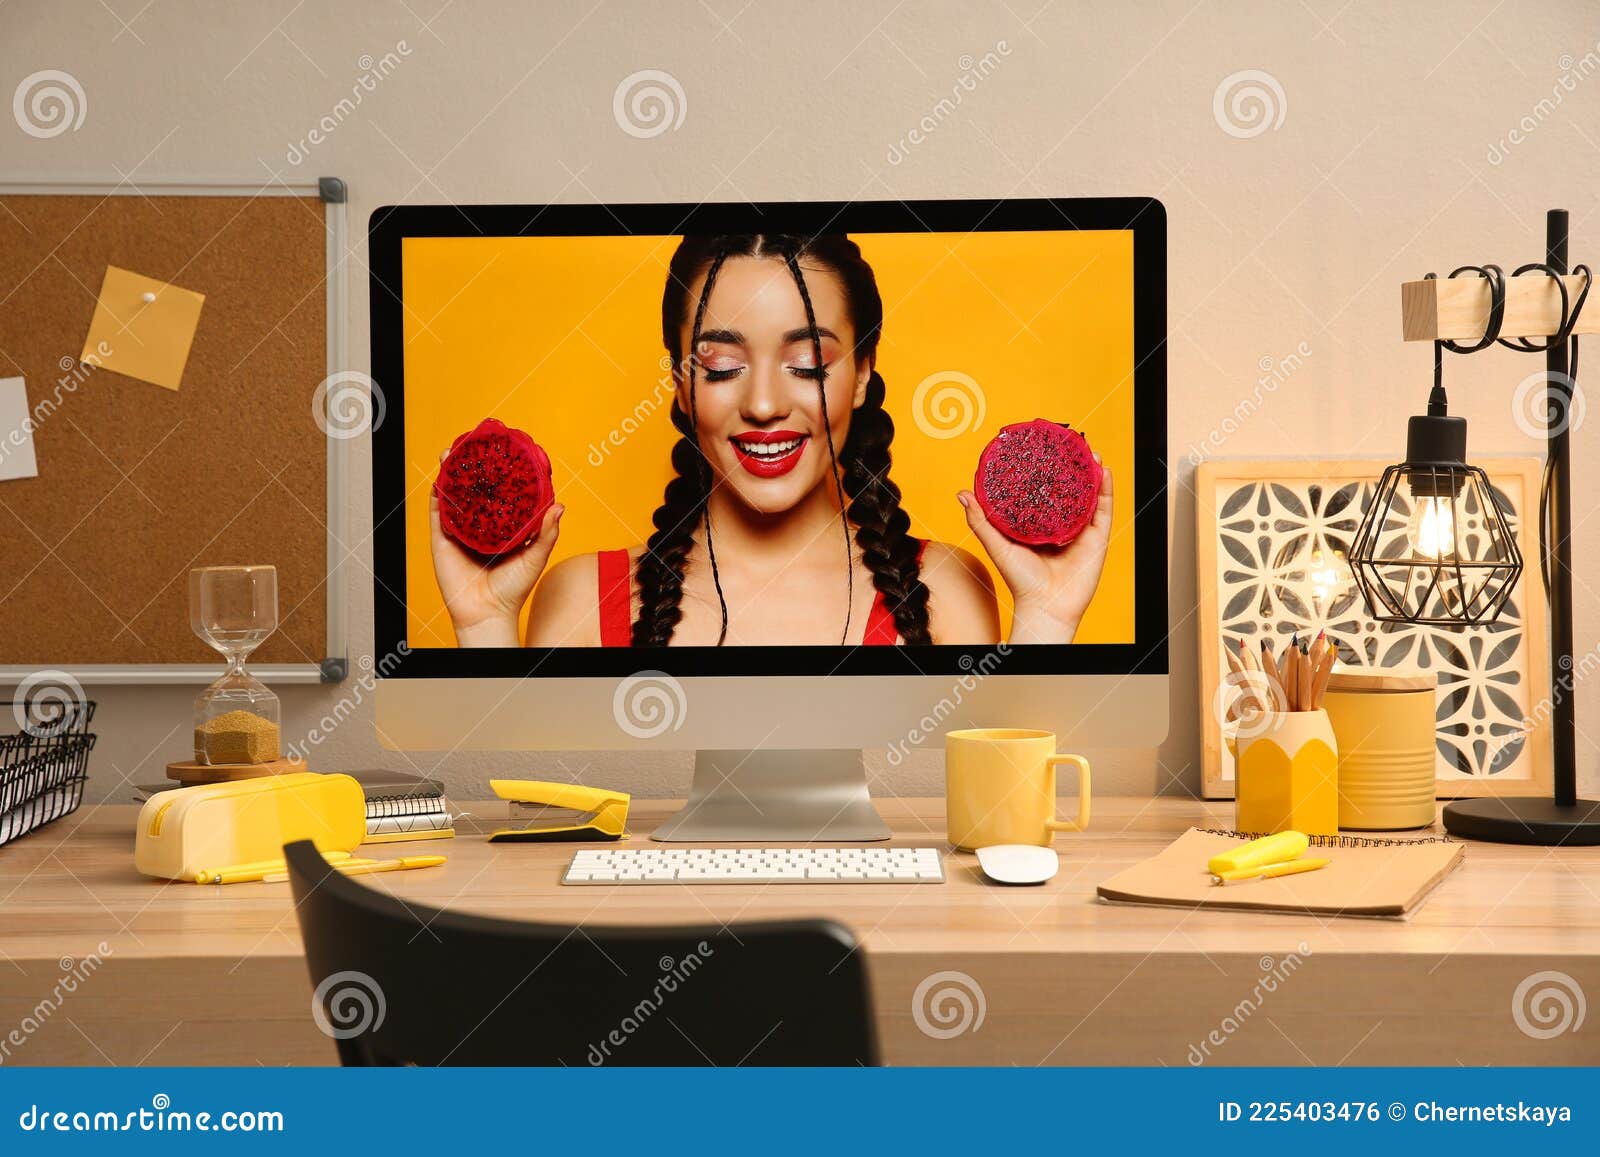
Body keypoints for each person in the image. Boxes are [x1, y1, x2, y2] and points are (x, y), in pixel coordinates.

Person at [430, 233, 1112, 648]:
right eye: (722, 366)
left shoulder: (949, 592)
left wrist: (1046, 617)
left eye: (809, 363)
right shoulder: (578, 599)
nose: (762, 403)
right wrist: (485, 621)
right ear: (680, 382)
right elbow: (529, 834)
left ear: (863, 376)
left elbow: (1005, 835)